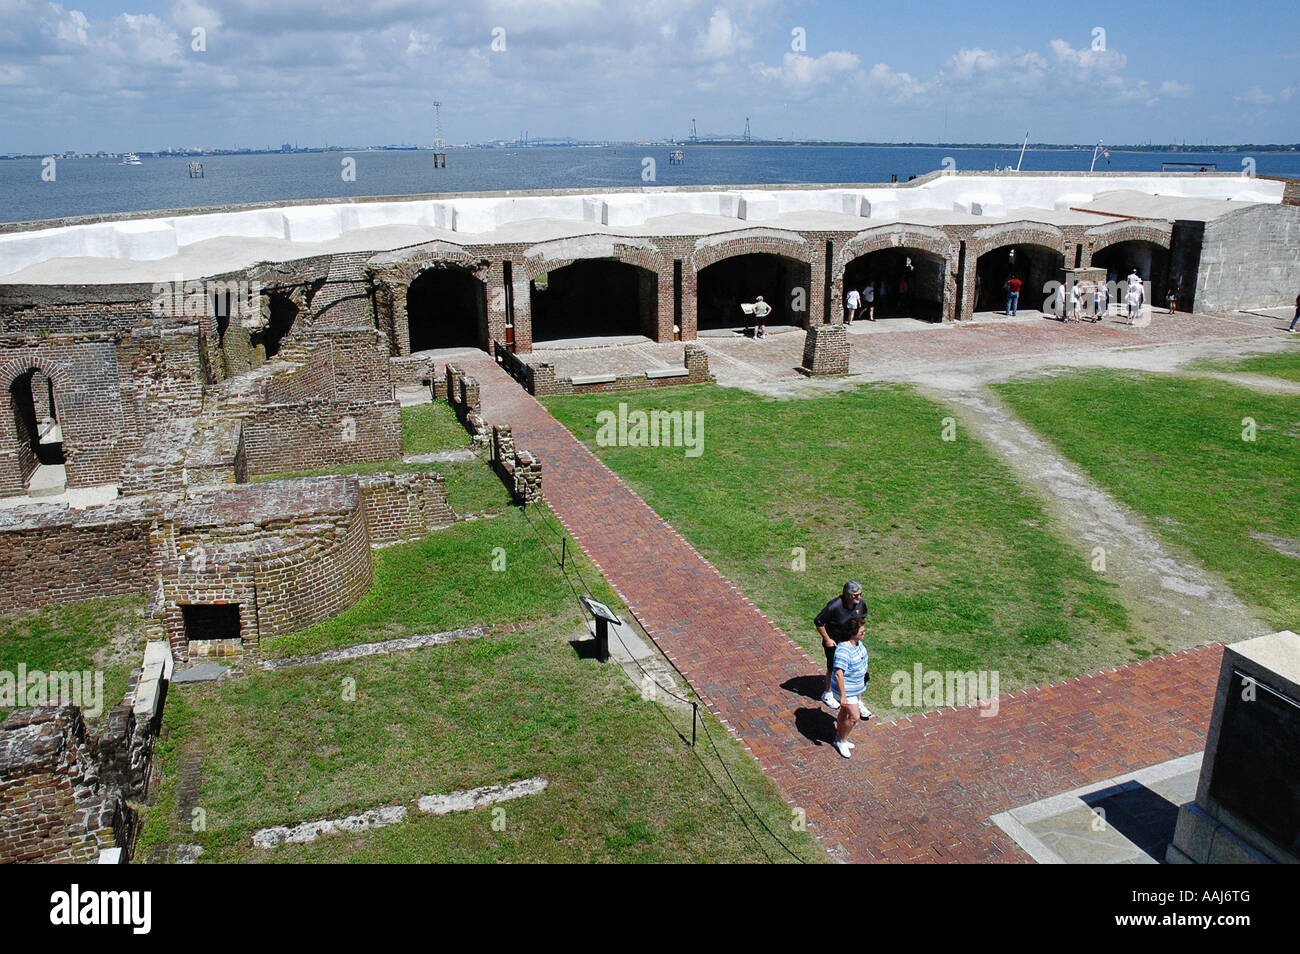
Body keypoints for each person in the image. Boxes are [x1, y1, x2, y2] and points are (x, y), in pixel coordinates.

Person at [814, 580, 868, 710]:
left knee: (856, 668)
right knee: (833, 667)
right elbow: (818, 621)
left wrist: (859, 634)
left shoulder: (860, 603)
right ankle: (827, 693)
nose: (859, 598)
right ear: (848, 595)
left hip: (852, 641)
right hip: (835, 643)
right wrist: (827, 639)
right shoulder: (834, 606)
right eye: (856, 595)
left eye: (860, 594)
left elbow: (863, 618)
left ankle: (857, 700)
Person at [830, 618, 870, 759]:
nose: (864, 633)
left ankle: (838, 738)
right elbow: (839, 674)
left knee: (844, 713)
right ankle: (841, 740)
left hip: (855, 688)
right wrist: (843, 696)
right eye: (862, 631)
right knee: (854, 717)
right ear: (853, 634)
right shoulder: (843, 651)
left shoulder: (858, 644)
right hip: (847, 690)